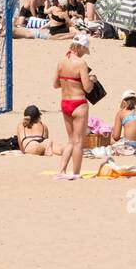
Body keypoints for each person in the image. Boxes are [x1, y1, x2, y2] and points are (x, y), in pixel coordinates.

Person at [52, 33, 97, 181]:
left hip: (65, 102)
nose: (85, 53)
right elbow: (88, 88)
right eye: (85, 50)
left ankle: (61, 170)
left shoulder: (61, 61)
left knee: (70, 140)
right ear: (81, 47)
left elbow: (55, 84)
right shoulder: (81, 63)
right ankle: (76, 173)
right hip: (78, 104)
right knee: (78, 141)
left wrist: (69, 82)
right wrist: (92, 80)